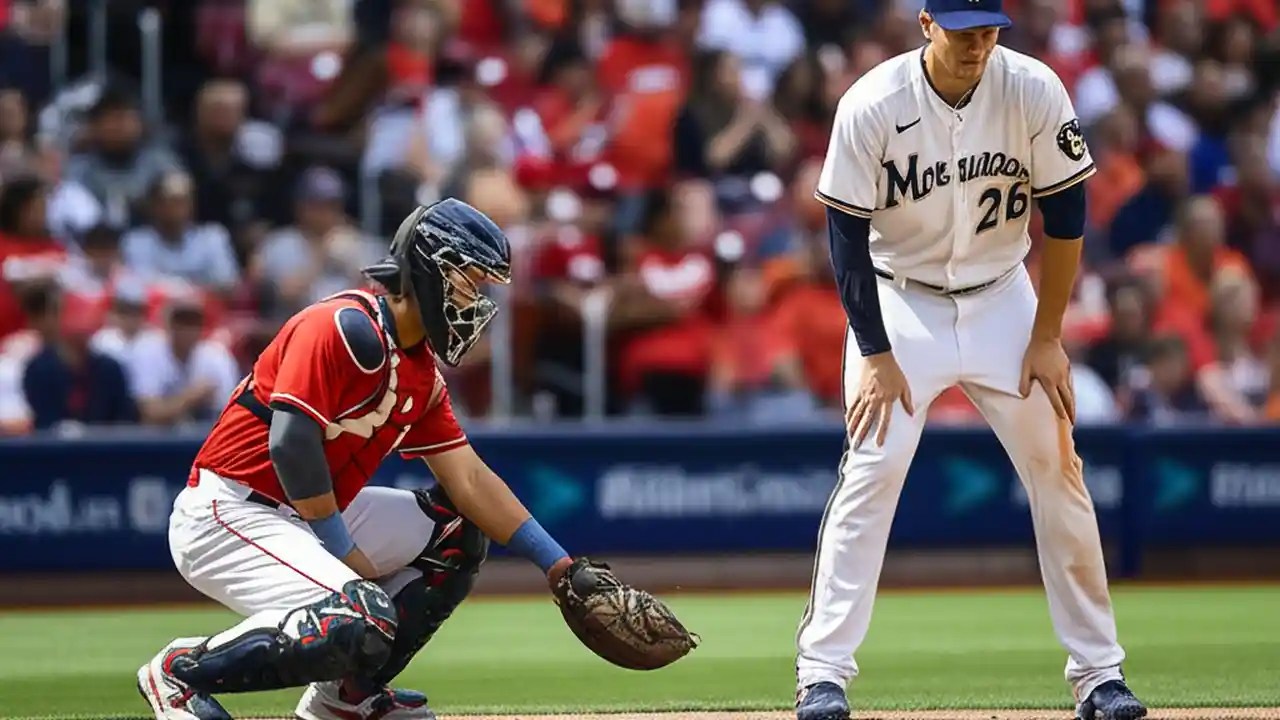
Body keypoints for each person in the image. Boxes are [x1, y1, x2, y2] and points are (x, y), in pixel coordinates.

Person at [793, 2, 1149, 720]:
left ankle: (1100, 675)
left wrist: (1047, 336)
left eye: (989, 29)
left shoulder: (1034, 88)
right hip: (900, 299)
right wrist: (877, 351)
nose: (979, 45)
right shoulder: (872, 102)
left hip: (1002, 299)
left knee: (1059, 466)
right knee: (873, 466)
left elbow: (1069, 215)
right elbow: (846, 241)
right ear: (926, 23)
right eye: (963, 30)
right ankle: (822, 675)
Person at [135, 200, 581, 720]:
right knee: (359, 613)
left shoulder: (421, 374)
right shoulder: (342, 326)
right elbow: (291, 445)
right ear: (429, 270)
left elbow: (471, 481)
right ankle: (182, 673)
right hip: (229, 511)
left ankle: (345, 697)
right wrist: (344, 552)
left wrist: (560, 565)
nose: (475, 300)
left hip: (303, 514)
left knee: (456, 532)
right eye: (468, 282)